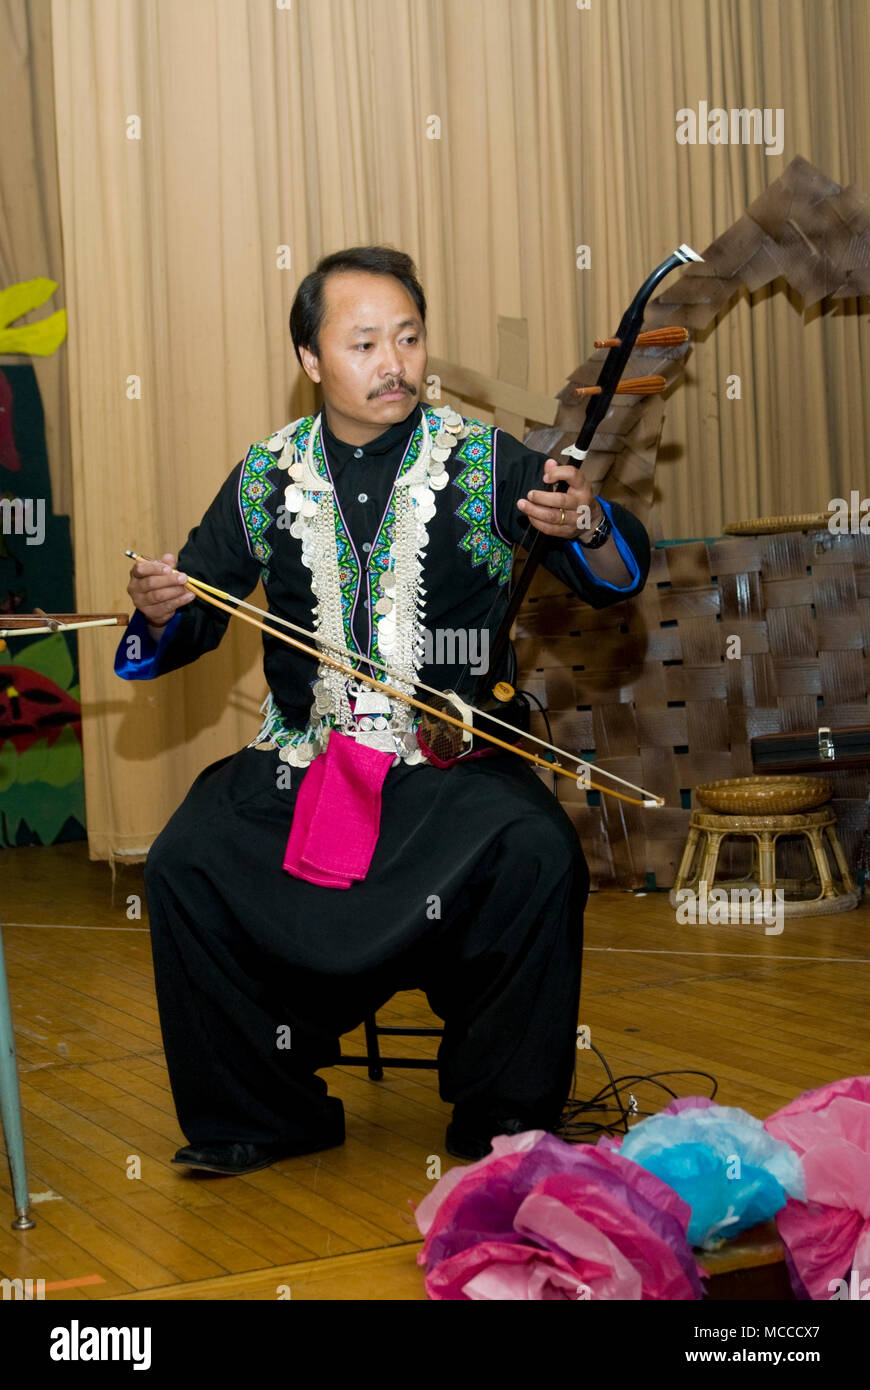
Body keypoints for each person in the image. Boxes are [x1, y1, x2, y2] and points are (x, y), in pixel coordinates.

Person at [115, 245, 650, 1175]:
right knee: (185, 861)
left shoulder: (482, 462)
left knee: (536, 853)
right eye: (363, 343)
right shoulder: (265, 476)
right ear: (312, 361)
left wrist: (592, 522)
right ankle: (259, 1114)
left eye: (407, 337)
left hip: (450, 767)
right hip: (304, 762)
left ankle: (501, 1121)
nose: (392, 362)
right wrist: (163, 607)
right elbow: (196, 609)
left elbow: (607, 574)